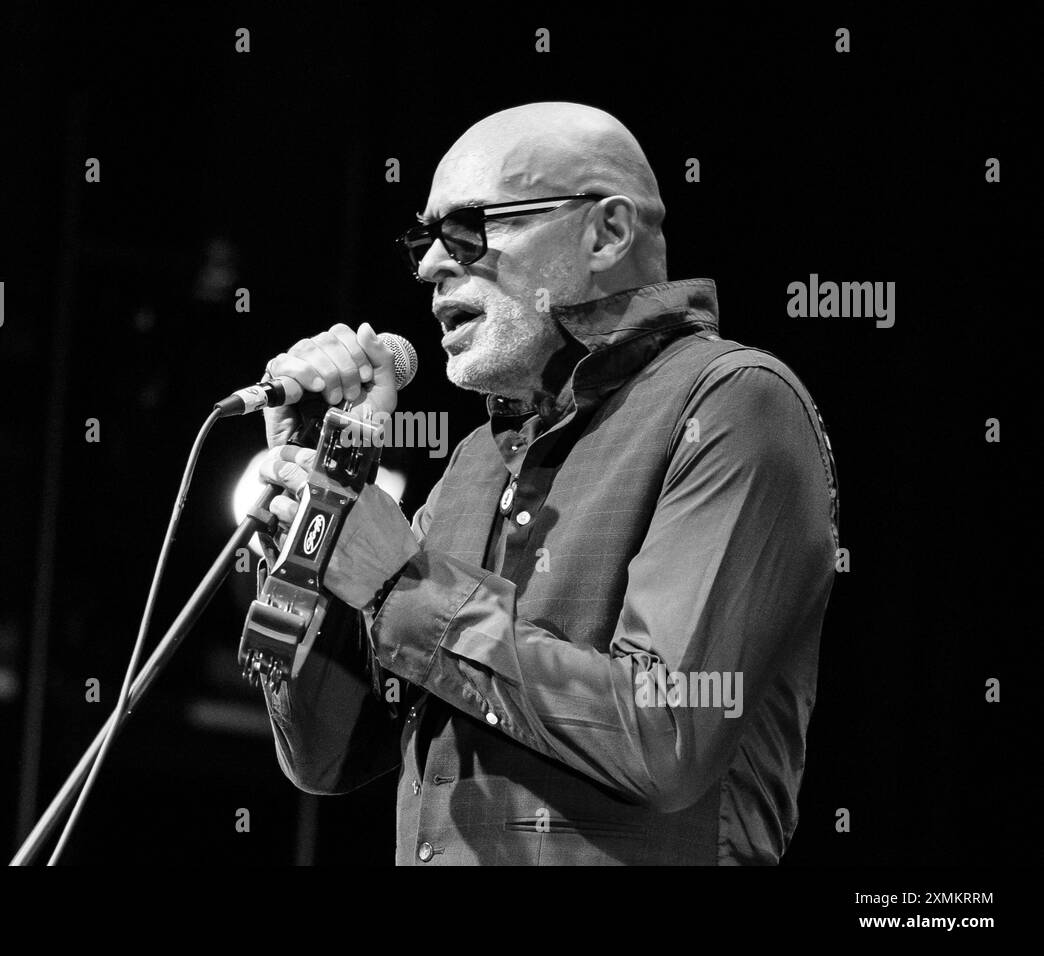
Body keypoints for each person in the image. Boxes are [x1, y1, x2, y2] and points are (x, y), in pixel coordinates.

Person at [254, 101, 839, 865]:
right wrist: (325, 500)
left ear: (607, 233)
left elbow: (666, 731)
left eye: (470, 228)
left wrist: (402, 581)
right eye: (424, 239)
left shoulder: (735, 403)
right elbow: (329, 759)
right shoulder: (473, 462)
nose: (432, 264)